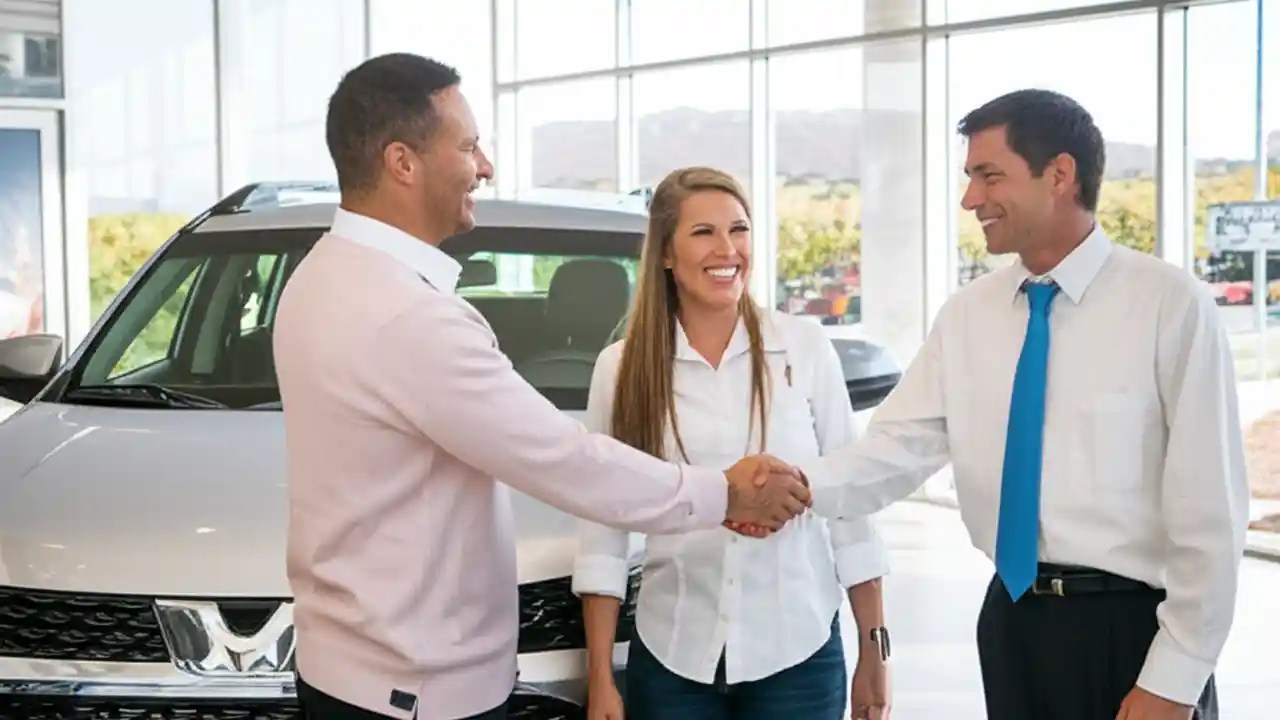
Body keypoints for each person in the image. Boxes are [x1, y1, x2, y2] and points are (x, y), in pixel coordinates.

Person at [272, 53, 812, 720]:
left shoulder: (317, 277)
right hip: (415, 692)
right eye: (468, 146)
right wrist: (724, 491)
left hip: (346, 670)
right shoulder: (407, 315)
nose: (485, 166)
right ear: (402, 162)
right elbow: (564, 459)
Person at [793, 89, 1247, 720]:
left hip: (1136, 632)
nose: (970, 199)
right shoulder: (968, 317)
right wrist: (794, 486)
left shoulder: (1171, 306)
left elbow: (1210, 515)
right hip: (1011, 622)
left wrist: (1174, 680)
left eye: (989, 175)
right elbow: (895, 449)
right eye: (970, 178)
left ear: (1059, 175)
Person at [572, 167, 892, 720]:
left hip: (799, 654)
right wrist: (600, 677)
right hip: (673, 660)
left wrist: (875, 649)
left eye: (739, 229)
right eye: (703, 233)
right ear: (667, 254)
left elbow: (852, 508)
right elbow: (604, 528)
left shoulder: (804, 347)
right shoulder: (621, 370)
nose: (728, 249)